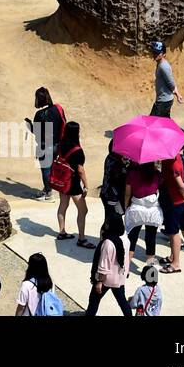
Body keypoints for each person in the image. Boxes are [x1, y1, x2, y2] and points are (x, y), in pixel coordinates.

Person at [54, 120, 93, 248]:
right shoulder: (77, 150)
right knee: (83, 210)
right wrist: (86, 186)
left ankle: (62, 232)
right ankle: (81, 239)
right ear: (77, 133)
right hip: (73, 184)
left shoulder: (61, 144)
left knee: (63, 206)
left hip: (62, 181)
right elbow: (80, 170)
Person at [86, 217, 132, 316]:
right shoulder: (125, 239)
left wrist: (99, 282)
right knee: (122, 302)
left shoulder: (108, 243)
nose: (105, 225)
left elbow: (104, 265)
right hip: (119, 278)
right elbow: (126, 258)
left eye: (107, 223)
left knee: (94, 300)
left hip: (106, 280)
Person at [26, 87, 65, 200]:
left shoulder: (39, 114)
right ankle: (47, 188)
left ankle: (48, 194)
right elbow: (62, 124)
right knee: (52, 168)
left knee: (46, 170)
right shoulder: (58, 109)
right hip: (57, 144)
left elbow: (36, 131)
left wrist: (29, 125)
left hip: (45, 146)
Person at [124, 161, 164, 263]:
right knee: (151, 237)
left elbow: (127, 193)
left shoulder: (132, 174)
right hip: (153, 211)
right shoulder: (157, 174)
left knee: (132, 237)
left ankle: (127, 266)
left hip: (136, 210)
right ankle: (149, 267)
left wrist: (126, 206)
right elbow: (160, 190)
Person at [159, 152, 184, 274]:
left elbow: (179, 182)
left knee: (173, 233)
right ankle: (172, 257)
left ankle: (176, 263)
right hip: (175, 200)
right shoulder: (176, 157)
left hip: (174, 201)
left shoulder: (172, 163)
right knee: (173, 231)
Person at [100, 140, 130, 229]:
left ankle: (104, 239)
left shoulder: (110, 157)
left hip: (107, 193)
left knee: (109, 218)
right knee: (111, 219)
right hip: (112, 195)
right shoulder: (115, 162)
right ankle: (106, 239)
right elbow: (118, 178)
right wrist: (125, 167)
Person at [150, 41, 184, 116]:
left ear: (163, 54)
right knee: (164, 123)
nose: (155, 54)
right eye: (154, 52)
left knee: (151, 122)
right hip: (163, 100)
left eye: (157, 53)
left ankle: (177, 129)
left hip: (163, 102)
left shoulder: (163, 67)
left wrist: (178, 94)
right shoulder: (160, 64)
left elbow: (171, 83)